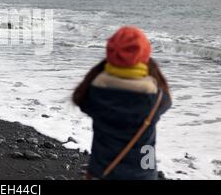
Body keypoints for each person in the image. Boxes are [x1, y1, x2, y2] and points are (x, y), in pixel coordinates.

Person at [73, 26, 172, 180]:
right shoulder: (157, 99)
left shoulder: (94, 93)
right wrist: (153, 69)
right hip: (144, 173)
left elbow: (80, 100)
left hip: (102, 171)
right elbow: (168, 100)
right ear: (145, 56)